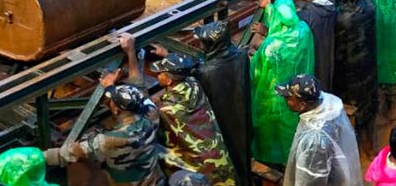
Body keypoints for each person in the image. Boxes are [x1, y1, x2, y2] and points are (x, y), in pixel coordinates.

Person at [45, 77, 188, 185]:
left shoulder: (108, 141)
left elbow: (66, 154)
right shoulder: (151, 118)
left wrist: (38, 156)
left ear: (115, 109)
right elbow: (141, 91)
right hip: (156, 181)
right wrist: (111, 88)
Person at [149, 52, 237, 185]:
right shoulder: (194, 83)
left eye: (160, 73)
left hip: (199, 164)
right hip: (218, 153)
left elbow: (144, 112)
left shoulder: (166, 109)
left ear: (168, 80)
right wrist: (173, 59)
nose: (157, 75)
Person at [251, 0, 315, 166]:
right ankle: (291, 160)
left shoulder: (271, 46)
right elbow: (285, 21)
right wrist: (269, 8)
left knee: (271, 132)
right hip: (297, 93)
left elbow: (256, 74)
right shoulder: (303, 30)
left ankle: (272, 163)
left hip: (272, 99)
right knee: (290, 128)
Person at [193, 21, 252, 185]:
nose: (200, 46)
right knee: (242, 151)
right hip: (241, 114)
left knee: (228, 153)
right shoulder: (240, 56)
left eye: (203, 43)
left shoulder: (205, 71)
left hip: (221, 121)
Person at [276, 74, 362, 186]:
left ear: (302, 104)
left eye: (288, 98)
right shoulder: (326, 106)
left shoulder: (315, 141)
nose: (285, 100)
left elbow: (312, 180)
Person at [332, 0, 378, 151]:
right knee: (369, 102)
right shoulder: (370, 7)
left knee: (352, 106)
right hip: (368, 65)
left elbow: (332, 8)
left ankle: (355, 144)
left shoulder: (341, 18)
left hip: (349, 70)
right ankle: (371, 143)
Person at [291, 0, 336, 91]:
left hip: (313, 56)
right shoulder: (329, 4)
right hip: (328, 53)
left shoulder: (305, 16)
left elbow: (288, 33)